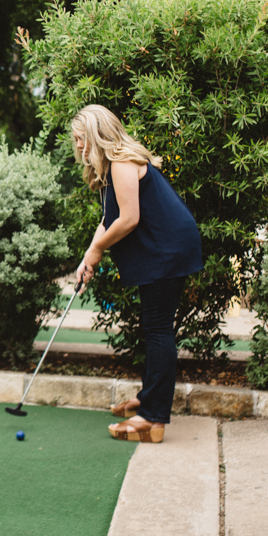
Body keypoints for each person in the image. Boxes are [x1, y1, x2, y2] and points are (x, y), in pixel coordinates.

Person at [71, 105, 202, 443]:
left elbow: (129, 218)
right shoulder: (110, 167)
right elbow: (108, 219)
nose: (79, 147)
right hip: (162, 247)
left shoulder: (123, 162)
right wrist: (91, 254)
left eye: (82, 140)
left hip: (167, 249)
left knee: (158, 330)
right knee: (154, 327)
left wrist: (98, 249)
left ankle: (152, 417)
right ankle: (148, 401)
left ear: (98, 135)